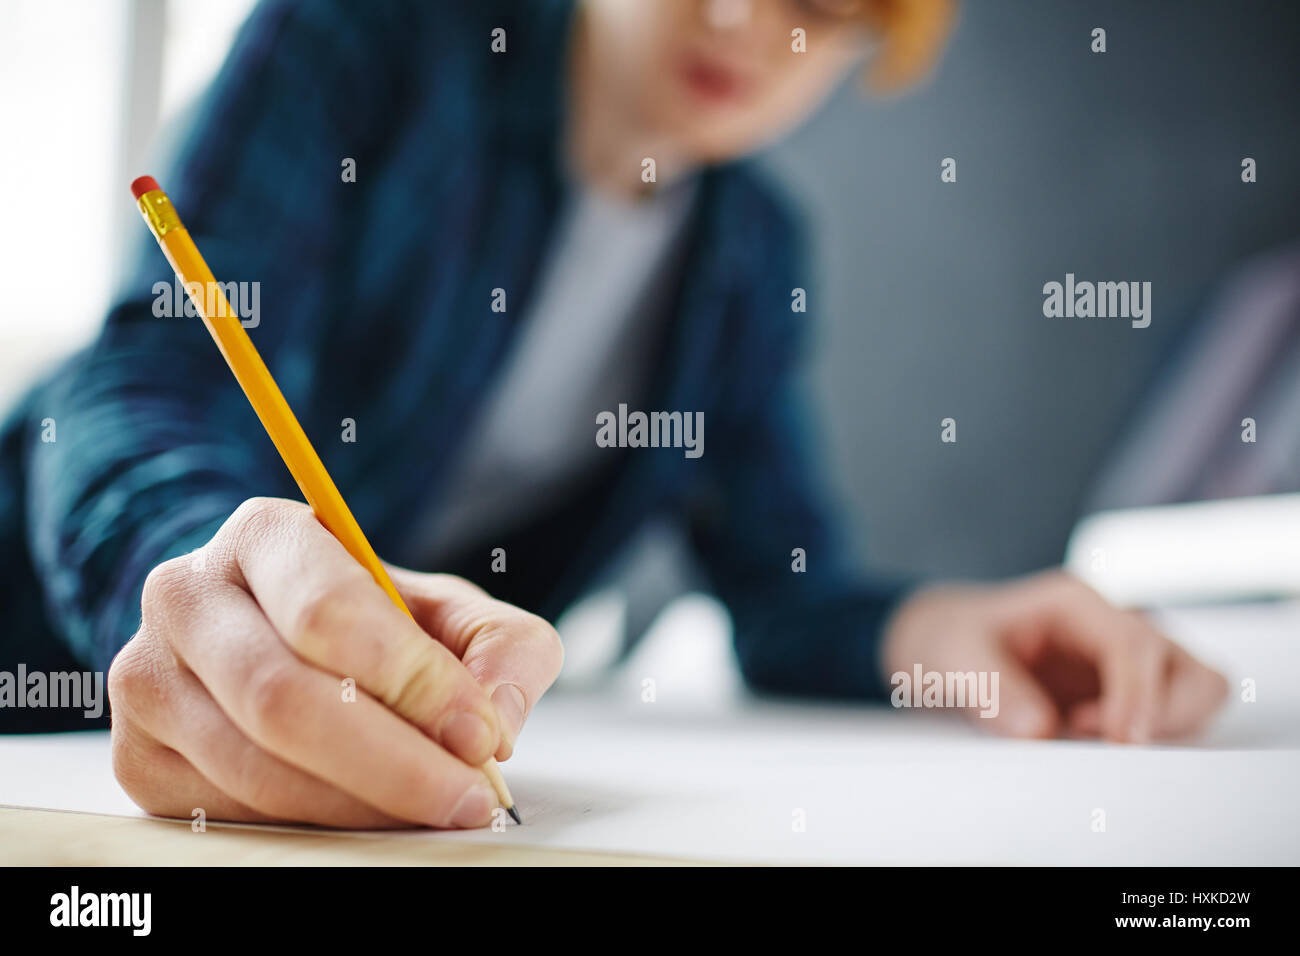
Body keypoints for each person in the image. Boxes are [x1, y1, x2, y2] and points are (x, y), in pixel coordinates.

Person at [0, 0, 1226, 828]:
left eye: (820, 7)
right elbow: (147, 379)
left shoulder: (746, 255)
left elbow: (779, 587)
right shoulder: (362, 36)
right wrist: (203, 583)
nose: (745, 21)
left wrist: (939, 628)